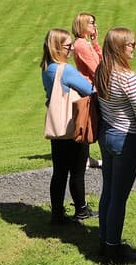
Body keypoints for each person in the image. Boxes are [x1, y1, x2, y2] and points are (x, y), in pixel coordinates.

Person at [95, 27, 136, 264]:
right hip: (126, 138)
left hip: (107, 134)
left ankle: (105, 240)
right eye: (129, 44)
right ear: (118, 47)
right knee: (119, 196)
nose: (134, 47)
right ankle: (113, 248)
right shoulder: (127, 77)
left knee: (108, 190)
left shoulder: (102, 70)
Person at [40, 28, 96, 226]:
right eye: (68, 46)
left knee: (59, 172)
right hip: (73, 125)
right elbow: (90, 89)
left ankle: (57, 212)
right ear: (57, 47)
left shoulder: (46, 68)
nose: (72, 49)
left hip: (58, 128)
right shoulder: (66, 70)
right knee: (78, 170)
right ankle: (81, 209)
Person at [71, 12, 105, 169]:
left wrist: (96, 42)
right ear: (83, 24)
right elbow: (97, 68)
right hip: (89, 89)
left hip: (93, 87)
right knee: (90, 123)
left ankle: (85, 157)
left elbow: (100, 61)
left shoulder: (85, 44)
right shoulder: (81, 45)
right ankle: (84, 158)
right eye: (91, 22)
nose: (94, 25)